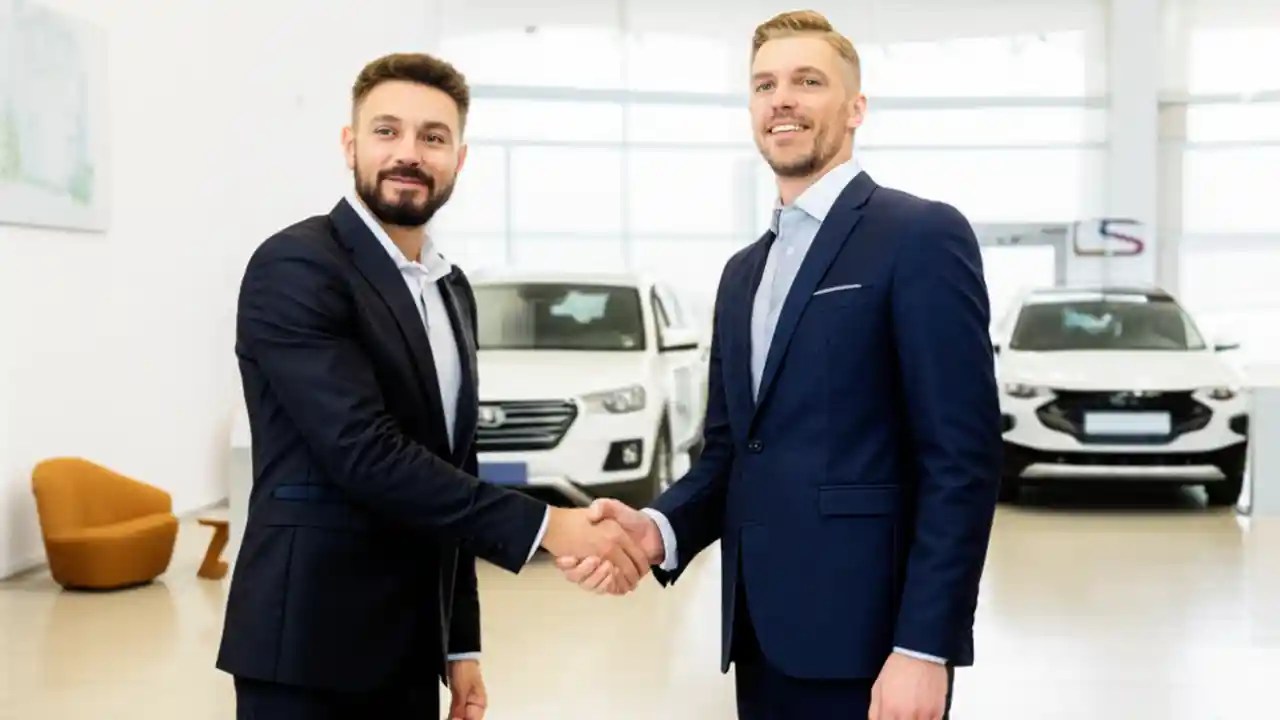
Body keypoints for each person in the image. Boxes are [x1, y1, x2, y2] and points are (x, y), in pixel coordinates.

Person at [557, 10, 1002, 720]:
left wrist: (925, 647)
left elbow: (963, 459)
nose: (781, 99)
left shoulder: (918, 234)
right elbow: (731, 452)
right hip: (761, 637)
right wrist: (656, 529)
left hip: (872, 645)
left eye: (807, 81)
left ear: (855, 108)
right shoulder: (743, 274)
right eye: (764, 84)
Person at [216, 52, 648, 720]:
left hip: (411, 646)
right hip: (309, 646)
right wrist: (549, 525)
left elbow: (452, 465)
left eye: (433, 137)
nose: (408, 154)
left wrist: (460, 644)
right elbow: (363, 451)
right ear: (349, 143)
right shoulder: (298, 265)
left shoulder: (450, 289)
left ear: (460, 158)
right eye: (387, 131)